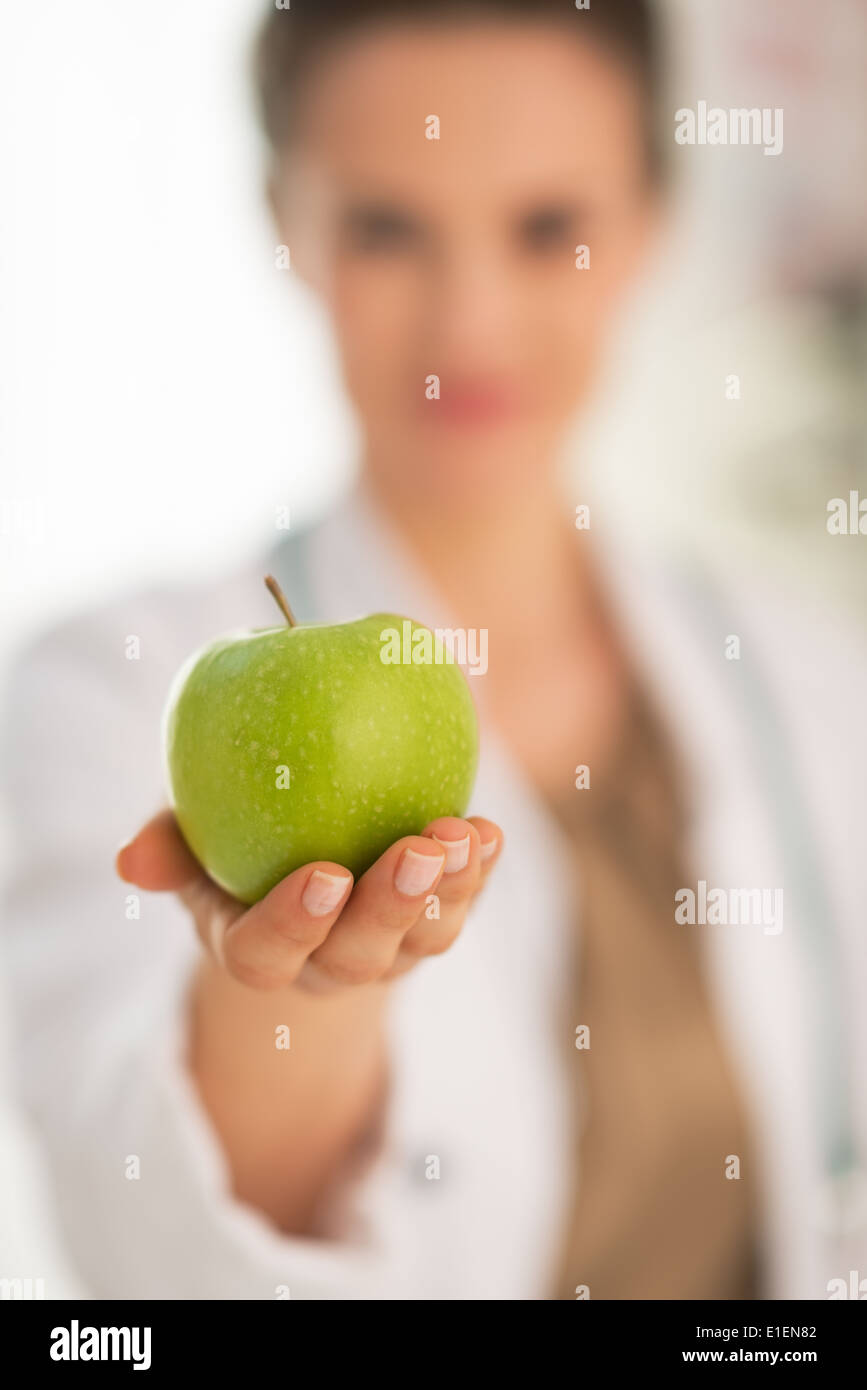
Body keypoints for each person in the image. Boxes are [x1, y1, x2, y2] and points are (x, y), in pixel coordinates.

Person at [1, 0, 865, 1300]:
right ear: (288, 224)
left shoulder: (818, 678)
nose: (471, 321)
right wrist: (300, 991)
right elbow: (160, 1261)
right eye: (388, 227)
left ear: (649, 232)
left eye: (546, 229)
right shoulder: (109, 688)